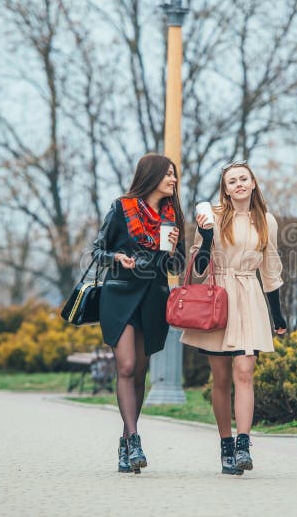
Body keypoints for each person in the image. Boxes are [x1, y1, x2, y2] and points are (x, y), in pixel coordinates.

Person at [181, 160, 287, 475]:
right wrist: (205, 235)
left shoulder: (267, 221)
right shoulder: (212, 216)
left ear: (253, 183)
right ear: (225, 189)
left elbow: (271, 270)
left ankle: (243, 444)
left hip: (250, 298)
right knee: (222, 378)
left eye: (243, 179)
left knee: (245, 371)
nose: (239, 184)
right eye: (232, 181)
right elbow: (200, 268)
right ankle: (226, 444)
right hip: (219, 299)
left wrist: (277, 315)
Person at [92, 153, 186, 474]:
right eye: (168, 174)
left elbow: (176, 266)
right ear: (152, 175)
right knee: (127, 366)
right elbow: (96, 251)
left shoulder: (173, 216)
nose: (173, 180)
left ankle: (125, 446)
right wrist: (118, 257)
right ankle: (135, 440)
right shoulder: (121, 207)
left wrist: (172, 250)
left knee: (140, 371)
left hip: (153, 298)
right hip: (119, 295)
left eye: (174, 174)